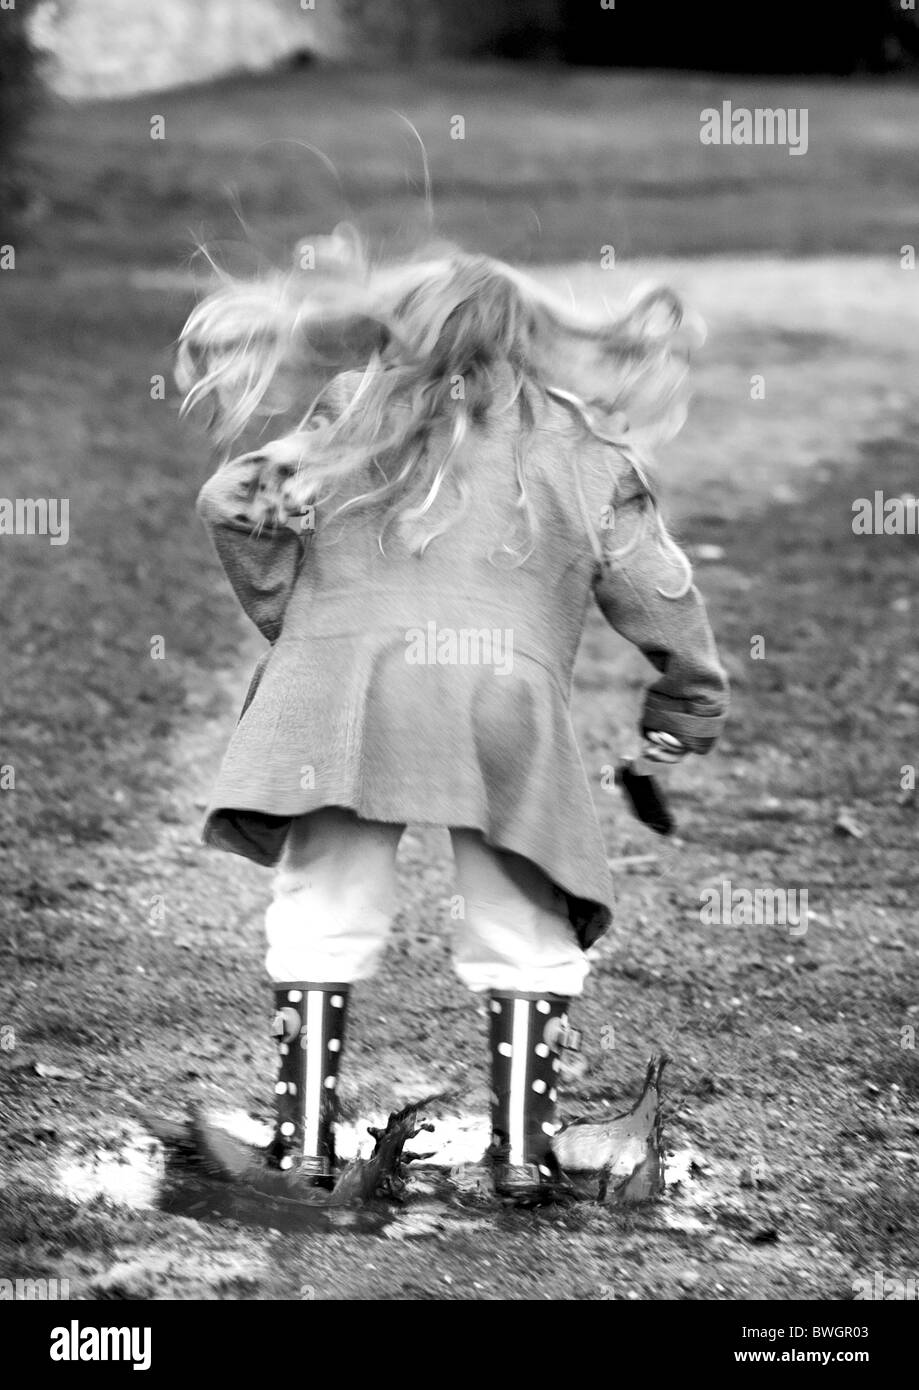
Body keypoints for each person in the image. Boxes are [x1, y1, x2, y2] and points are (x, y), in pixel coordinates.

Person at [176, 231, 729, 1197]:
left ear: (401, 329)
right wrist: (680, 714)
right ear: (528, 338)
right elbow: (661, 588)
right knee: (521, 923)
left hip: (343, 702)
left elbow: (234, 500)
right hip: (500, 705)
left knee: (324, 910)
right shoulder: (581, 446)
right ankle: (520, 1159)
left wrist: (303, 630)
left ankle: (304, 1146)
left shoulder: (349, 413)